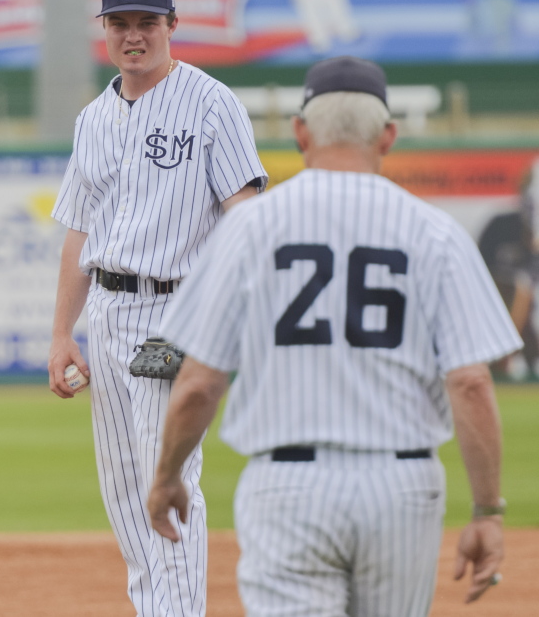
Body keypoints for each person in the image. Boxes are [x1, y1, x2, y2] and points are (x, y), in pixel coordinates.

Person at [148, 56, 519, 615]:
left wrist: (168, 475)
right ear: (388, 136)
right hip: (402, 487)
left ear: (300, 131)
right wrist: (487, 511)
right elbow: (469, 381)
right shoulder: (435, 232)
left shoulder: (250, 228)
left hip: (287, 487)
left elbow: (200, 383)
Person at [47, 0, 268, 616]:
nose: (133, 34)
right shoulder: (92, 119)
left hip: (177, 308)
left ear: (172, 25)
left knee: (165, 478)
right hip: (109, 312)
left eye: (146, 21)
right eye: (120, 22)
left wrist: (218, 316)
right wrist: (62, 332)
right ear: (104, 31)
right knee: (122, 490)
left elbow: (244, 215)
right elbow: (79, 233)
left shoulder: (210, 102)